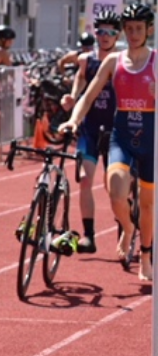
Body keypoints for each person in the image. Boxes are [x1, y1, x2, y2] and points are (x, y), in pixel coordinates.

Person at [60, 3, 155, 281]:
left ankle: (146, 257)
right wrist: (74, 120)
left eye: (139, 28)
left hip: (151, 137)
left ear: (149, 30)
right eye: (130, 28)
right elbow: (88, 96)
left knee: (148, 205)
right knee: (116, 193)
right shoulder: (114, 61)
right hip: (122, 135)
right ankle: (127, 226)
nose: (134, 33)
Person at [59, 11, 120, 254]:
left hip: (117, 131)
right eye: (100, 31)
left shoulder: (122, 61)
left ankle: (126, 226)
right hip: (90, 129)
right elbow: (79, 85)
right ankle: (88, 235)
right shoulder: (87, 60)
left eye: (110, 32)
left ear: (118, 35)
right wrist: (71, 98)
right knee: (85, 181)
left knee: (115, 188)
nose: (104, 37)